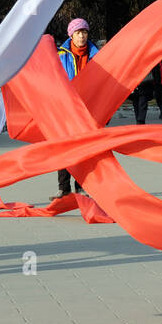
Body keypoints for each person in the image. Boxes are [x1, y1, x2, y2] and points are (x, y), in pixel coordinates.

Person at [54, 18, 98, 198]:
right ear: (71, 35)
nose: (82, 36)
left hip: (87, 107)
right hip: (65, 107)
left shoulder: (96, 55)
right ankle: (63, 188)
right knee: (63, 146)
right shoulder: (60, 55)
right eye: (78, 32)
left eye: (84, 32)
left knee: (84, 147)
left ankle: (81, 185)